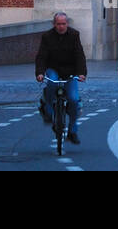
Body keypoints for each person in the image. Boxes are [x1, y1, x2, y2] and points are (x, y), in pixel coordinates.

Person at [35, 12, 87, 144]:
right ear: (54, 24)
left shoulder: (74, 35)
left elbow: (79, 55)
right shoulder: (47, 36)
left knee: (74, 99)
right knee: (51, 83)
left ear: (67, 24)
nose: (61, 27)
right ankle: (48, 110)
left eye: (63, 24)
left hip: (70, 71)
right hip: (53, 68)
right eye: (58, 24)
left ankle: (72, 131)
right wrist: (40, 73)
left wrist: (81, 73)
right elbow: (41, 56)